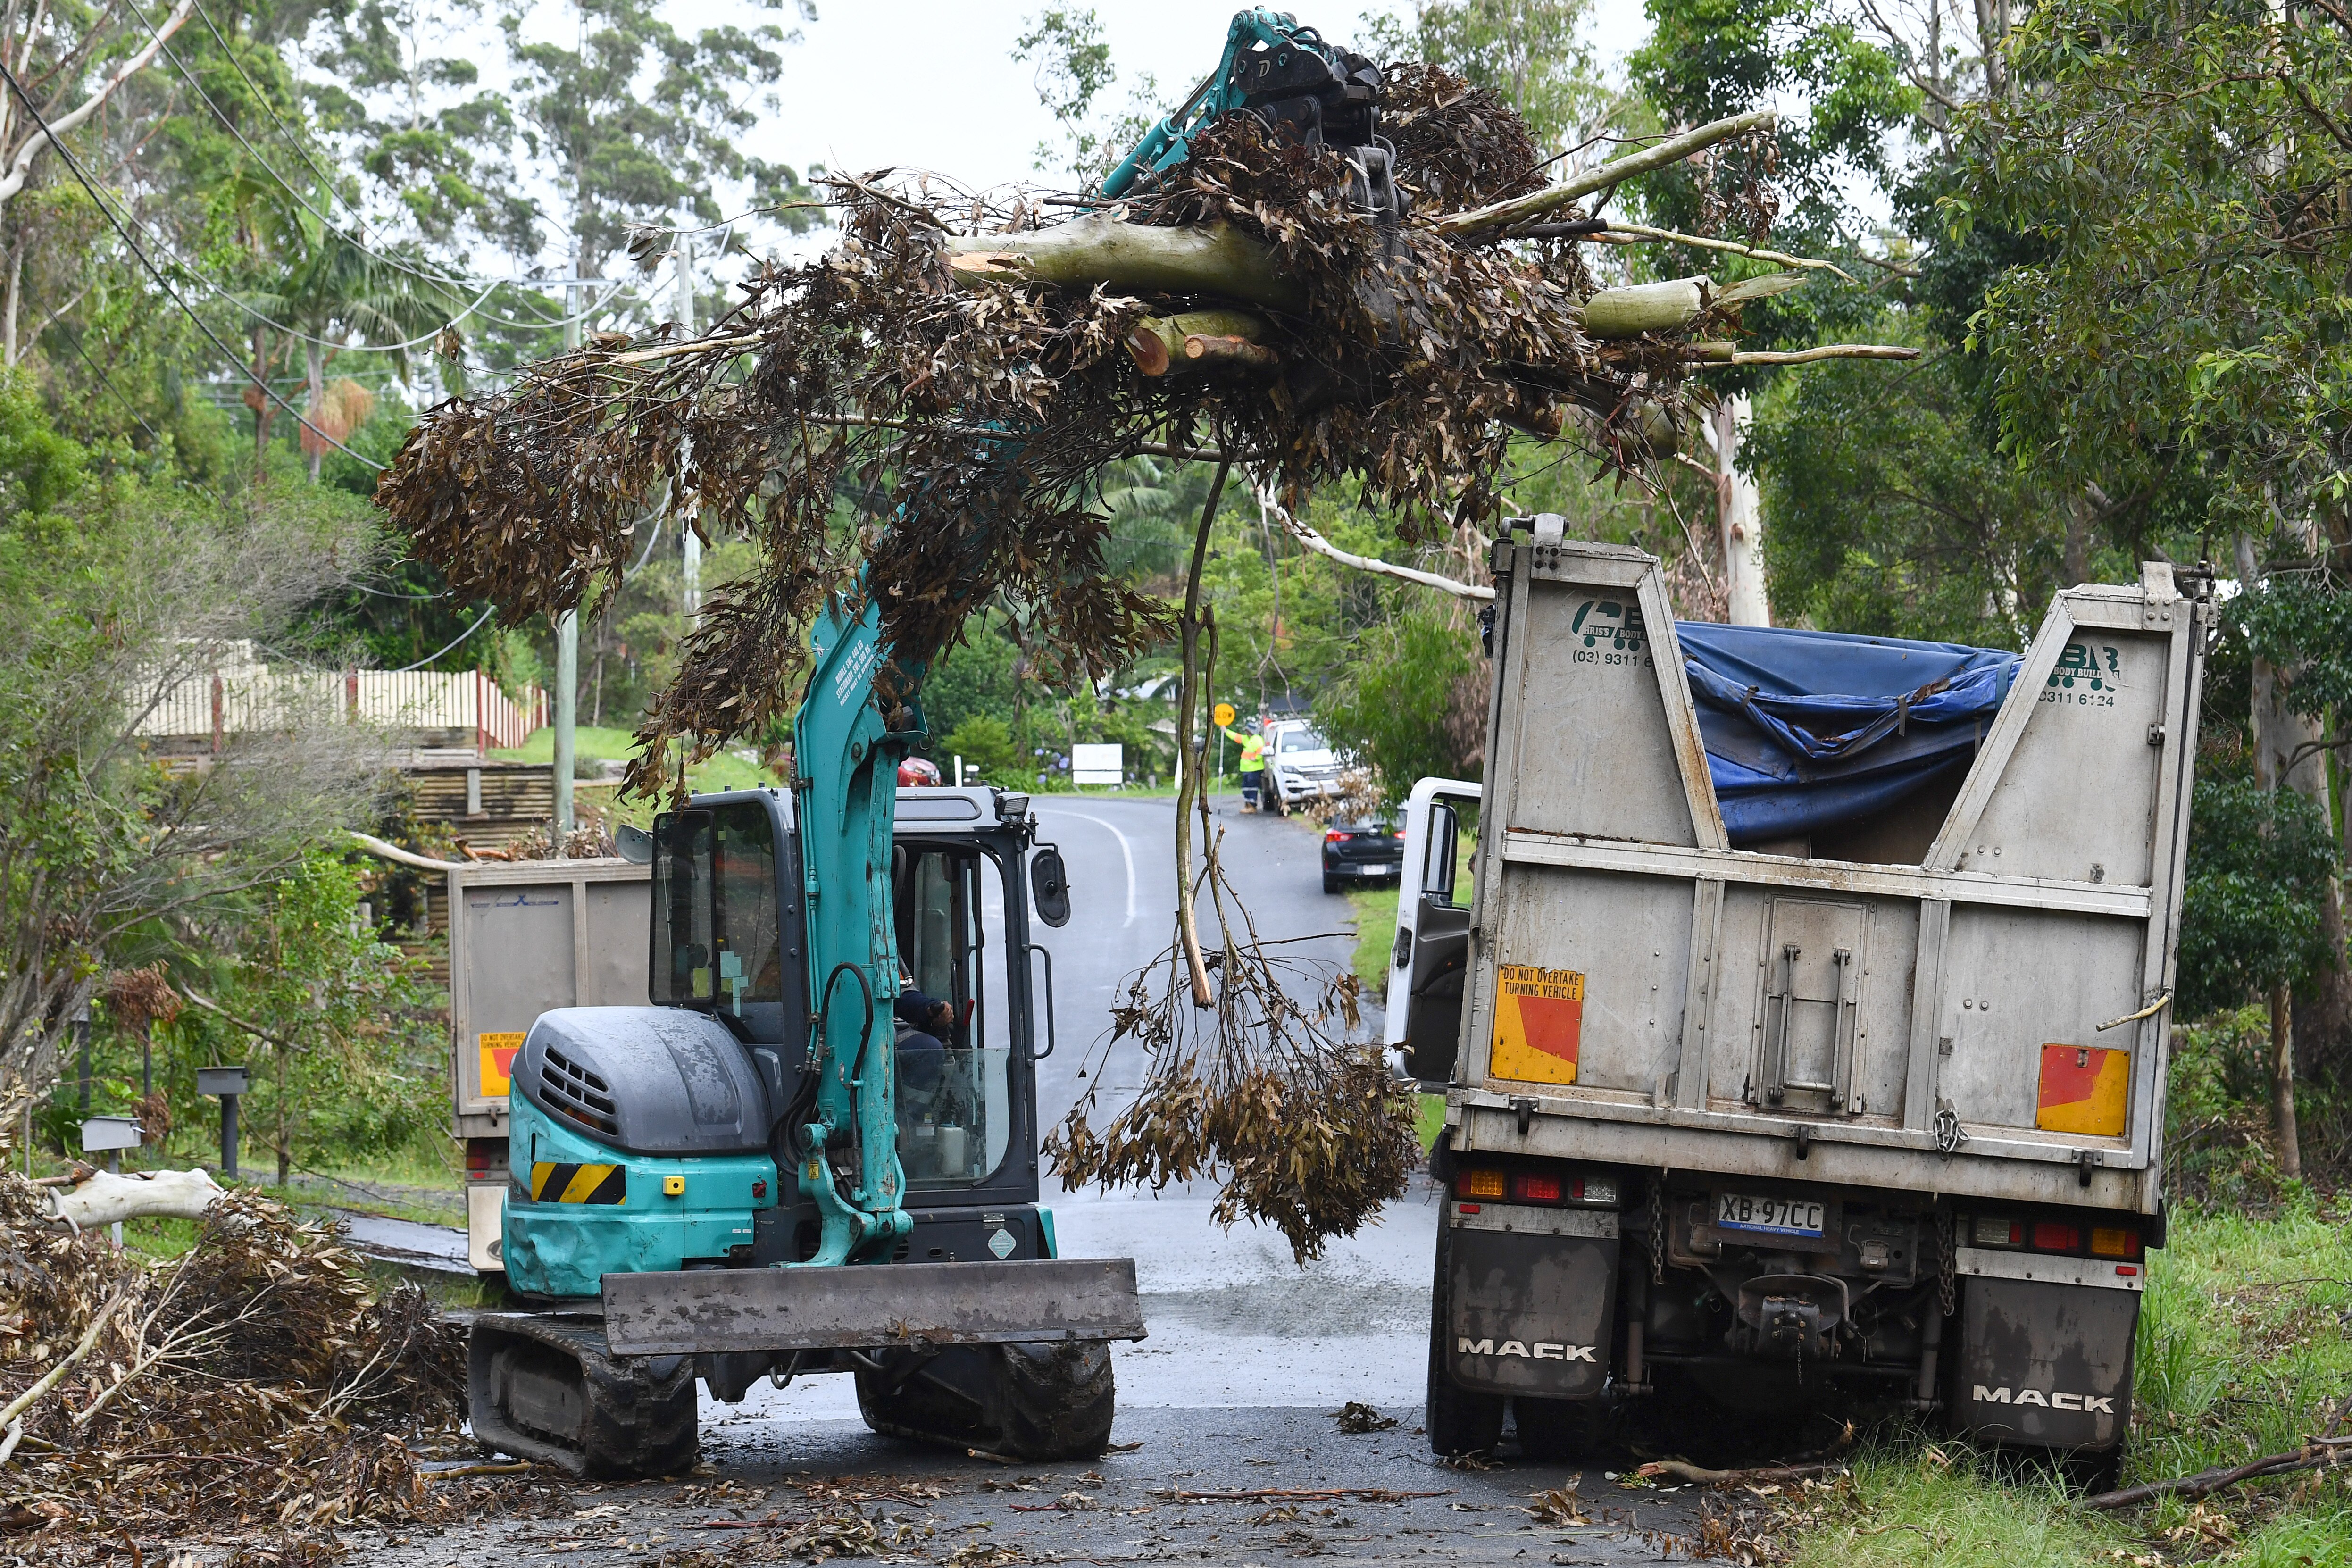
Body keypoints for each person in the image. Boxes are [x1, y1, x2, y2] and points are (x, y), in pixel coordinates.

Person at [1222, 720, 1268, 812]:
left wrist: (1256, 758)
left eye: (1248, 730)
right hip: (1247, 769)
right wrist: (1226, 731)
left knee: (1252, 788)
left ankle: (1252, 806)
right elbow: (1236, 737)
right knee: (1246, 788)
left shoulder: (1257, 739)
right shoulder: (1247, 739)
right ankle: (1248, 805)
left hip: (1255, 769)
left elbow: (1261, 751)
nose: (1246, 732)